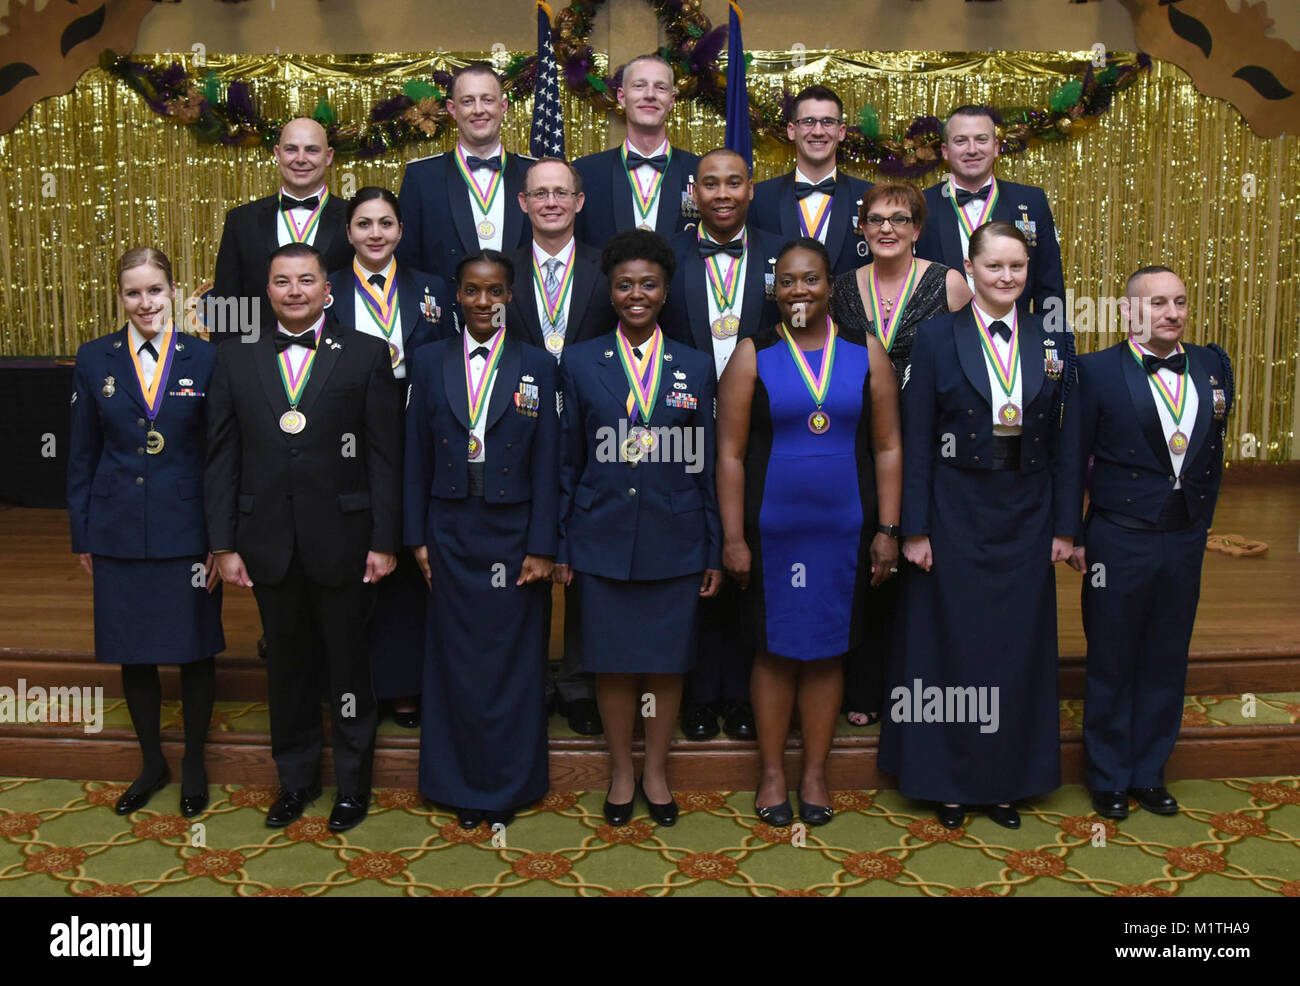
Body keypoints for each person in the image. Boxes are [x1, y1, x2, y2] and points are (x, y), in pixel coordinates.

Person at [878, 221, 1075, 831]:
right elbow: (913, 437)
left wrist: (1065, 528)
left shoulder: (1053, 340)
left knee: (1016, 649)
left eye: (1017, 267)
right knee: (949, 646)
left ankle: (1006, 781)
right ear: (971, 267)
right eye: (995, 266)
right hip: (953, 509)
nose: (1007, 277)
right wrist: (914, 528)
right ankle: (948, 782)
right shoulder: (937, 337)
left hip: (1027, 511)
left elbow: (1069, 445)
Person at [205, 243, 402, 833]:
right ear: (267, 291)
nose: (295, 291)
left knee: (347, 668)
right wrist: (223, 543)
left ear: (328, 289)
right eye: (283, 281)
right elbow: (220, 457)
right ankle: (293, 780)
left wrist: (385, 539)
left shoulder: (367, 355)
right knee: (286, 668)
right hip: (265, 540)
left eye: (306, 280)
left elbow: (384, 457)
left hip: (344, 539)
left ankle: (352, 785)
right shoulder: (234, 358)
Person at [717, 238, 902, 827]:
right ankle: (772, 772)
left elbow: (889, 446)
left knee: (827, 652)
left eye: (812, 280)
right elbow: (729, 455)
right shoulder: (753, 353)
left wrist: (889, 529)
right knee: (773, 652)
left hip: (845, 531)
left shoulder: (864, 351)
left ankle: (816, 773)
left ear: (831, 286)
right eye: (789, 281)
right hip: (772, 532)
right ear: (775, 289)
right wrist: (732, 538)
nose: (800, 291)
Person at [554, 229, 722, 827]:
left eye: (648, 284)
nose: (636, 294)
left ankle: (656, 769)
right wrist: (562, 541)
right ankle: (622, 770)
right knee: (614, 661)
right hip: (600, 536)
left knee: (666, 661)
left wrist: (714, 546)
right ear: (610, 289)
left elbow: (703, 463)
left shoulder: (696, 366)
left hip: (675, 538)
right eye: (624, 284)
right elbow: (566, 460)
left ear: (666, 290)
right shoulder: (577, 363)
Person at [1060, 266, 1233, 820]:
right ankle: (1108, 777)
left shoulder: (1211, 365)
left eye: (1180, 301)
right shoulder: (1094, 371)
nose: (1172, 313)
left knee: (1165, 657)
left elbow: (1213, 450)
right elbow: (1071, 462)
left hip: (1183, 535)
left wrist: (1203, 521)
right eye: (1158, 302)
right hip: (1118, 537)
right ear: (1131, 311)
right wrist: (1076, 533)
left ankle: (1149, 772)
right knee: (1112, 658)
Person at [67, 246, 224, 818]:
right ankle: (151, 761)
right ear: (120, 297)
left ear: (172, 291)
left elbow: (219, 457)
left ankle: (195, 765)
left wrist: (221, 540)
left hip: (189, 530)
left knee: (194, 650)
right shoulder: (93, 358)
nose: (145, 303)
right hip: (116, 530)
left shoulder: (206, 359)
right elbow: (82, 454)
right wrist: (82, 532)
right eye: (133, 292)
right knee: (132, 651)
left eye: (154, 290)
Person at [404, 250, 558, 829]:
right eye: (472, 291)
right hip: (448, 529)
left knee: (513, 661)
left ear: (511, 297)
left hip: (514, 531)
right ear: (457, 297)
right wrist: (415, 536)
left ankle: (509, 786)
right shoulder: (428, 360)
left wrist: (543, 544)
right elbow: (413, 454)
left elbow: (550, 461)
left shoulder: (537, 365)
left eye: (495, 292)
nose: (484, 302)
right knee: (455, 660)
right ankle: (457, 782)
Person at [829, 182, 970, 727]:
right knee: (868, 561)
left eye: (900, 219)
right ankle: (862, 686)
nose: (887, 228)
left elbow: (966, 364)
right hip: (859, 445)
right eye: (876, 219)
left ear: (917, 228)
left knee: (921, 565)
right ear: (862, 229)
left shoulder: (949, 283)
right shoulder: (841, 288)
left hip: (930, 443)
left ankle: (914, 688)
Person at [660, 147, 782, 742]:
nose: (724, 193)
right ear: (694, 193)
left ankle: (739, 692)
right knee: (691, 560)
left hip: (760, 433)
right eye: (711, 184)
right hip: (680, 430)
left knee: (745, 557)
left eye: (735, 182)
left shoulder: (783, 253)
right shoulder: (667, 252)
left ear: (751, 189)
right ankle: (696, 695)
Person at [327, 186, 452, 728]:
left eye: (385, 223)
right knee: (357, 558)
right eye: (363, 224)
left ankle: (406, 685)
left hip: (416, 432)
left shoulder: (433, 288)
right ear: (348, 232)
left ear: (401, 230)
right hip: (345, 438)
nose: (375, 234)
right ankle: (359, 685)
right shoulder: (327, 289)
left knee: (407, 556)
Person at [506, 157, 618, 736]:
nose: (551, 202)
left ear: (579, 202)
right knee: (526, 552)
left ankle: (577, 682)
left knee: (582, 558)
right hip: (518, 436)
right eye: (539, 193)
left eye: (562, 193)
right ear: (523, 204)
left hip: (594, 431)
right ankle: (525, 681)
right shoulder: (502, 272)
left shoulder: (610, 269)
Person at [912, 106, 1064, 317]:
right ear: (945, 151)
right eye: (961, 141)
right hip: (943, 344)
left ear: (996, 147)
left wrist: (1051, 345)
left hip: (1016, 341)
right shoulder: (921, 204)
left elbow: (1050, 286)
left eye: (981, 139)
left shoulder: (1031, 201)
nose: (972, 149)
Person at [213, 117, 352, 341]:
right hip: (257, 361)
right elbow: (226, 304)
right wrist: (227, 364)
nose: (301, 159)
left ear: (328, 157)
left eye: (312, 150)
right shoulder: (241, 220)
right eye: (291, 149)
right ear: (277, 153)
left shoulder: (354, 218)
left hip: (338, 359)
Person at [397, 63, 534, 287]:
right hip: (447, 318)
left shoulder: (533, 174)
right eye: (468, 101)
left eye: (487, 100)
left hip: (521, 317)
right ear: (452, 108)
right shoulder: (422, 178)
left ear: (504, 105)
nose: (478, 110)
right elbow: (407, 264)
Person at [573, 54, 700, 249]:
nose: (650, 94)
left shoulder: (699, 171)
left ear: (672, 100)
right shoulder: (585, 172)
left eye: (661, 87)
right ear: (622, 97)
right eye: (639, 86)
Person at [751, 85, 872, 277]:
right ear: (792, 130)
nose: (818, 131)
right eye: (808, 122)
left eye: (828, 122)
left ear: (841, 132)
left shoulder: (869, 197)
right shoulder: (760, 198)